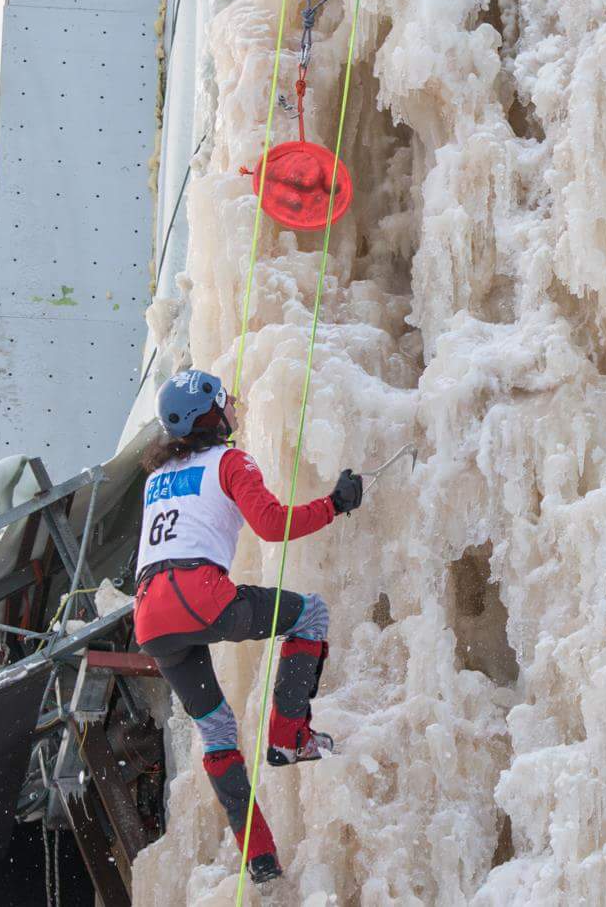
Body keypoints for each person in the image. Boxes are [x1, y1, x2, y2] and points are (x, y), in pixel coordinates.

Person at [133, 369, 365, 884]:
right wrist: (336, 503)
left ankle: (260, 861)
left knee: (216, 731)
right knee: (311, 613)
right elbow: (273, 525)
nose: (234, 403)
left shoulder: (156, 478)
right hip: (199, 596)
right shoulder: (230, 460)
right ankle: (288, 737)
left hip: (151, 614)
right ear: (210, 414)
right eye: (224, 398)